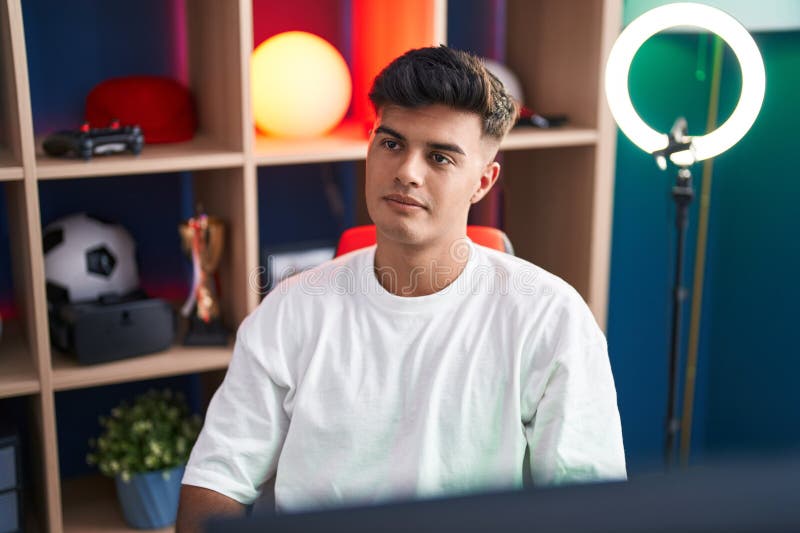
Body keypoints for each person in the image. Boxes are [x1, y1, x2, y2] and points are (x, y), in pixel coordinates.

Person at [176, 46, 626, 532]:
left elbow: (588, 505)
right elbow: (215, 481)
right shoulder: (290, 308)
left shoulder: (549, 316)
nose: (407, 171)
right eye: (391, 144)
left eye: (440, 157)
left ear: (483, 181)